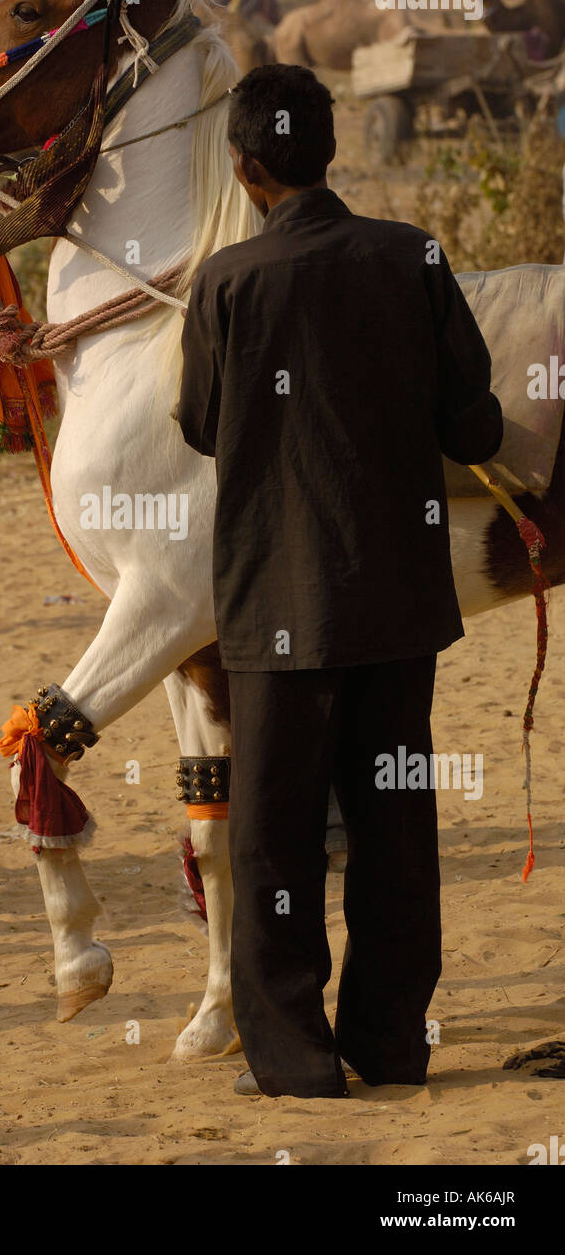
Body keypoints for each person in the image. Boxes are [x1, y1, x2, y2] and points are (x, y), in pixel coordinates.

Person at [177, 64, 503, 1100]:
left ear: (244, 166)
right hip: (396, 606)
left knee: (274, 842)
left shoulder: (225, 283)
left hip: (276, 609)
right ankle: (388, 1043)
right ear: (326, 153)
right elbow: (470, 419)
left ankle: (293, 1055)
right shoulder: (411, 256)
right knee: (393, 831)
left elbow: (198, 424)